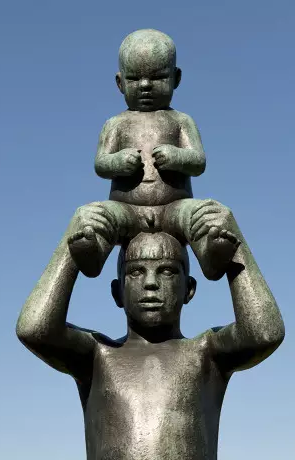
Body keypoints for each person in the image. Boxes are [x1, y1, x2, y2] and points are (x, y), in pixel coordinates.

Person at [16, 217, 284, 460]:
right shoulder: (97, 355)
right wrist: (71, 251)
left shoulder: (206, 353)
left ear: (189, 289)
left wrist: (234, 248)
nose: (151, 283)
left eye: (167, 271)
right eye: (135, 272)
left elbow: (264, 331)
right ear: (117, 293)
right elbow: (33, 328)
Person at [68, 28, 239, 281]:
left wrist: (177, 157)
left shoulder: (181, 121)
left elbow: (198, 162)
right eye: (135, 79)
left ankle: (212, 254)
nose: (145, 86)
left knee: (201, 214)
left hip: (174, 208)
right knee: (100, 216)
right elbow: (101, 164)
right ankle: (92, 254)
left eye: (158, 77)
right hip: (126, 209)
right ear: (120, 82)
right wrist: (117, 162)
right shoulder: (115, 123)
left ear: (176, 78)